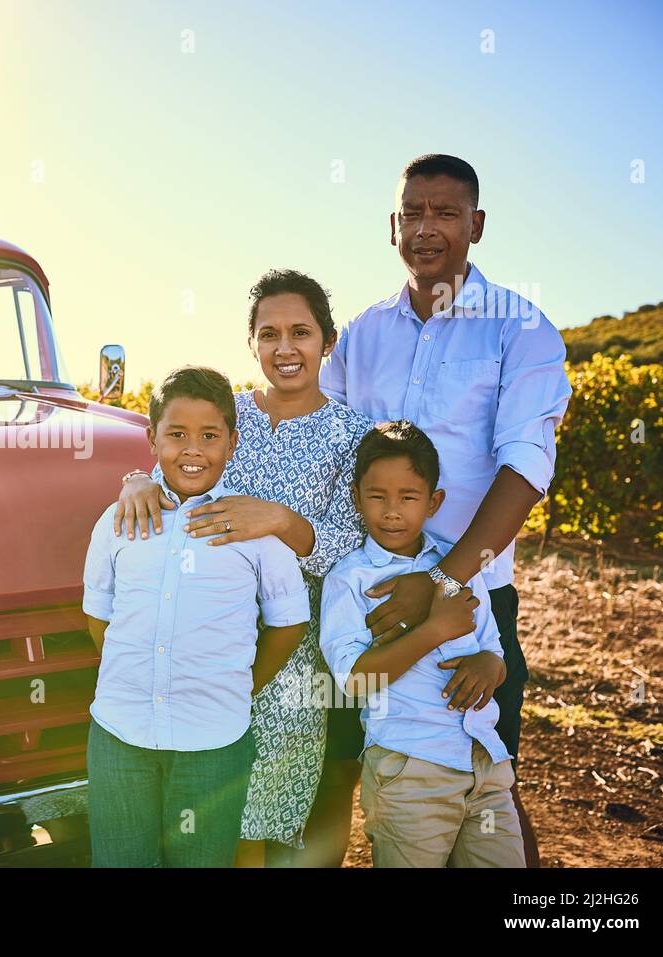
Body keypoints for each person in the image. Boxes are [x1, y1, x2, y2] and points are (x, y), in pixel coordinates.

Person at [318, 154, 572, 866]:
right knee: (351, 768)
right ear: (392, 225)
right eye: (413, 213)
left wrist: (439, 586)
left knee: (488, 774)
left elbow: (525, 468)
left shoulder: (521, 330)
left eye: (446, 213)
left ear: (477, 225)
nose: (426, 228)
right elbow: (324, 443)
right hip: (366, 600)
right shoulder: (362, 334)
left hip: (475, 603)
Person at [114, 272, 373, 866]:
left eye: (301, 333)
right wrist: (134, 482)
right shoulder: (226, 414)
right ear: (251, 343)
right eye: (269, 334)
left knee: (250, 817)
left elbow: (349, 550)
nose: (285, 348)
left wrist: (281, 521)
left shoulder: (353, 434)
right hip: (196, 634)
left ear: (327, 342)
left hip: (287, 649)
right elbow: (169, 479)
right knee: (193, 809)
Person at [83, 366, 311, 867]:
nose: (192, 449)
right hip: (121, 734)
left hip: (213, 738)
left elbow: (289, 622)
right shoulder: (119, 520)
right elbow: (99, 614)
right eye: (177, 435)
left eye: (209, 436)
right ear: (152, 440)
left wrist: (242, 684)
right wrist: (134, 672)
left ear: (231, 443)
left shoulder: (253, 530)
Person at [320, 420, 524, 867]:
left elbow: (495, 651)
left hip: (484, 764)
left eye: (408, 498)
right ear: (357, 499)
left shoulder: (460, 566)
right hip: (409, 769)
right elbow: (355, 682)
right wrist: (433, 630)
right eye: (377, 497)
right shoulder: (351, 580)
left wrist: (491, 666)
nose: (392, 511)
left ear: (433, 502)